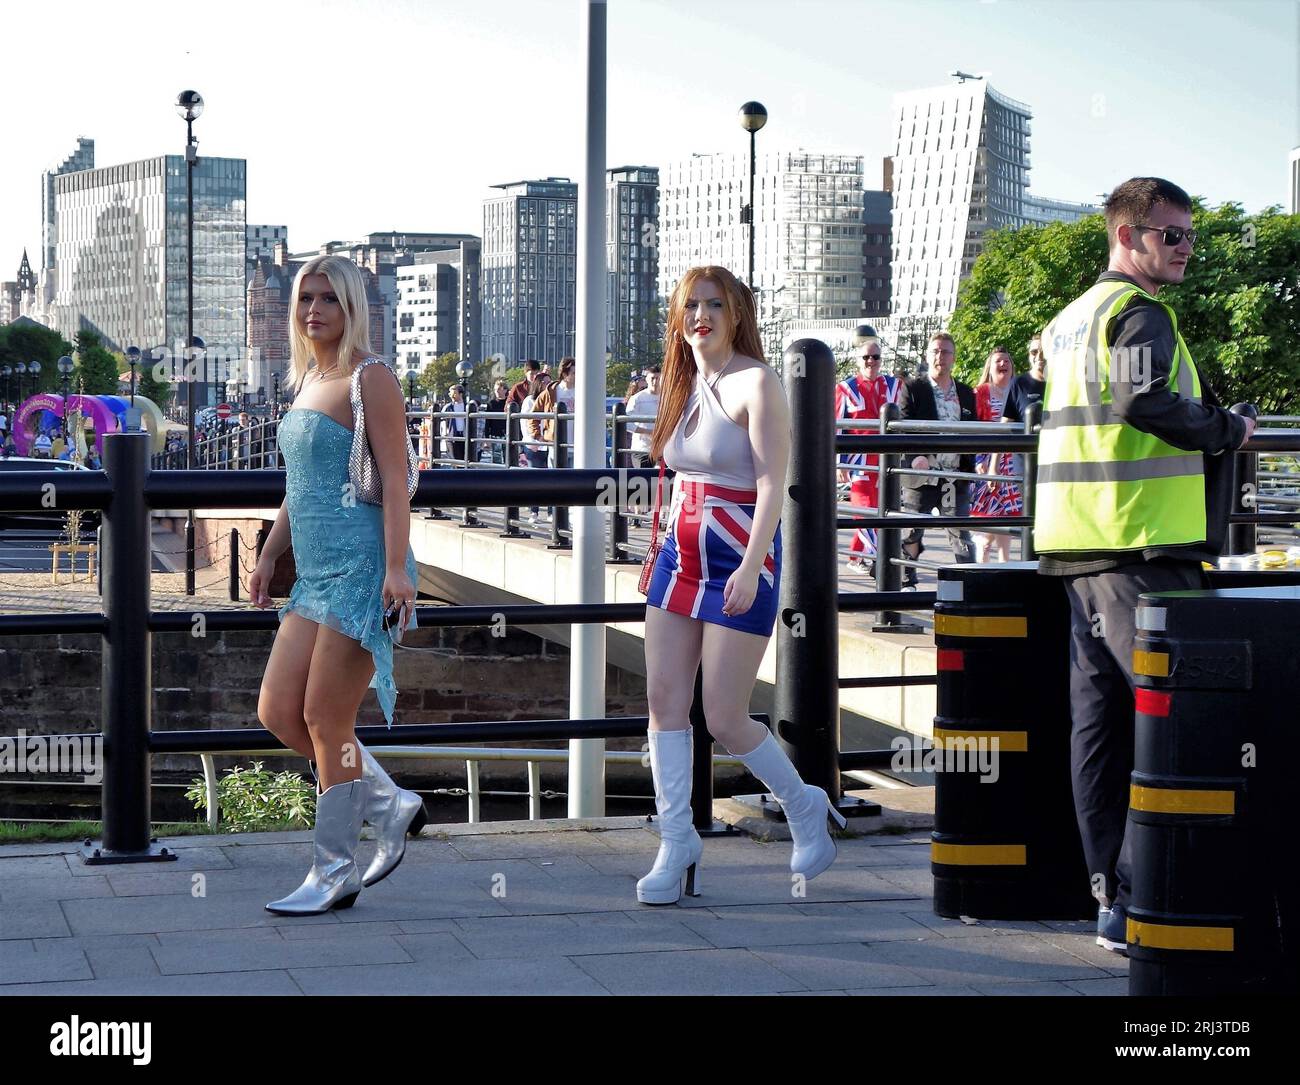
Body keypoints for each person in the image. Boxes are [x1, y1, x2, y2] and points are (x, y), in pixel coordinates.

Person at [1033, 177, 1253, 955]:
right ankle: (1143, 899)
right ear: (1128, 237)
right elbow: (1140, 403)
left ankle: (1107, 896)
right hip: (1138, 545)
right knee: (1169, 720)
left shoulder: (1069, 320)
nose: (1186, 247)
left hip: (1076, 544)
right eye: (1172, 235)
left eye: (1191, 234)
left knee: (1098, 725)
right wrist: (1226, 427)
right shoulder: (1138, 312)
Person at [640, 264, 846, 907]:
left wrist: (755, 567)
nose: (700, 316)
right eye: (690, 306)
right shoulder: (679, 382)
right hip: (678, 555)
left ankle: (803, 805)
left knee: (725, 714)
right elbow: (675, 476)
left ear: (736, 315)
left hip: (738, 556)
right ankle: (676, 841)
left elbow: (769, 483)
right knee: (663, 702)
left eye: (714, 305)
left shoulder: (757, 382)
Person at [248, 254, 426, 916]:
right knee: (278, 711)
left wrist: (398, 567)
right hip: (315, 574)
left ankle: (334, 868)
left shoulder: (368, 377)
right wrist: (269, 555)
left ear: (352, 306)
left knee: (326, 717)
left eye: (328, 298)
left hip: (360, 570)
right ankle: (385, 801)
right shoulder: (309, 377)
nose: (314, 309)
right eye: (305, 298)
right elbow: (300, 488)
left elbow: (398, 480)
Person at [896, 332, 977, 586]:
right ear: (927, 355)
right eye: (935, 351)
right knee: (911, 531)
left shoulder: (965, 392)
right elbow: (903, 425)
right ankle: (906, 583)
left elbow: (974, 428)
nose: (940, 356)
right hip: (922, 473)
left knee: (960, 533)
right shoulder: (914, 388)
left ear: (953, 357)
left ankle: (969, 587)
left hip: (955, 476)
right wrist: (917, 455)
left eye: (945, 352)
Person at [835, 340, 901, 573]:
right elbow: (838, 426)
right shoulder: (846, 388)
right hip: (858, 461)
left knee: (881, 507)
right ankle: (884, 557)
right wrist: (840, 462)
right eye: (866, 357)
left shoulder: (895, 385)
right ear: (858, 360)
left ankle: (855, 557)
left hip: (887, 459)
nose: (871, 361)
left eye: (875, 357)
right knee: (864, 509)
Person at [970, 345, 1021, 563]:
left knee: (1007, 517)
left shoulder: (1019, 391)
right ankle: (982, 560)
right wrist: (980, 458)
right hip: (988, 461)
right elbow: (974, 430)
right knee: (987, 519)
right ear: (989, 367)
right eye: (998, 361)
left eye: (1007, 361)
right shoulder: (980, 393)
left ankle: (1004, 564)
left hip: (1013, 463)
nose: (1003, 364)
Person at [520, 376, 551, 525]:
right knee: (536, 480)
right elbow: (525, 422)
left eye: (549, 382)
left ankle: (552, 512)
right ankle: (534, 511)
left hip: (550, 443)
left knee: (553, 479)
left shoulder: (551, 398)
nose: (547, 384)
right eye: (544, 382)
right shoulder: (529, 401)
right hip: (534, 444)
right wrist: (532, 440)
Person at [1001, 336, 1047, 425]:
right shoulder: (1018, 384)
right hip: (1027, 438)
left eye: (1044, 352)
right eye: (1034, 352)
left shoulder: (1061, 383)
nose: (1039, 356)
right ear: (1029, 355)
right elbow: (1006, 425)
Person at [626, 364, 661, 470]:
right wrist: (648, 432)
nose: (655, 382)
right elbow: (627, 423)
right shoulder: (637, 398)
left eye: (658, 378)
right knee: (645, 483)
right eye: (652, 378)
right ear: (647, 379)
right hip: (642, 449)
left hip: (663, 451)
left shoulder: (668, 398)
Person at [483, 379, 510, 464]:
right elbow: (487, 422)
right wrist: (487, 439)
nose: (496, 391)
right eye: (495, 389)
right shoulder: (491, 403)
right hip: (495, 435)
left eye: (499, 389)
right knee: (496, 458)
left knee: (509, 457)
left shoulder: (509, 403)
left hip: (508, 434)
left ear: (505, 390)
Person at [440, 383, 468, 463]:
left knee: (466, 459)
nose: (452, 396)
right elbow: (442, 420)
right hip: (452, 436)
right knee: (455, 460)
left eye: (455, 393)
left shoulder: (467, 406)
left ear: (461, 394)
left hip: (465, 435)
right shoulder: (448, 407)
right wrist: (445, 433)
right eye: (450, 394)